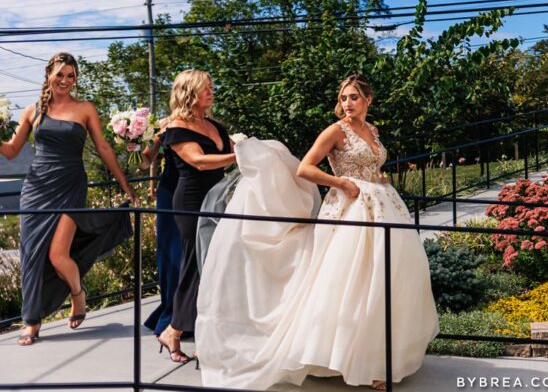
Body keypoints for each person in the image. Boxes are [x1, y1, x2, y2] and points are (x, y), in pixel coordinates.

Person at [196, 74, 438, 390]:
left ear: (368, 100)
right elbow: (305, 168)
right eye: (343, 98)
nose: (347, 103)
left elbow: (374, 165)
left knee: (387, 280)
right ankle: (344, 357)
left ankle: (382, 359)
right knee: (351, 281)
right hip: (348, 209)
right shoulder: (335, 132)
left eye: (353, 97)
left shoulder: (373, 131)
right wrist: (340, 183)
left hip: (384, 205)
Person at [0, 52, 139, 346]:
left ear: (75, 79)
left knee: (57, 254)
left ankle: (78, 295)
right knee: (31, 256)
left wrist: (126, 187)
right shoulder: (32, 111)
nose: (65, 80)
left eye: (71, 76)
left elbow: (103, 148)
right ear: (49, 73)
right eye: (60, 74)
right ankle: (32, 321)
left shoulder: (85, 108)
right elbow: (12, 150)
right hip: (36, 189)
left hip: (70, 186)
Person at [156, 70, 235, 364]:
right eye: (205, 88)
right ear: (189, 92)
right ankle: (179, 331)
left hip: (219, 200)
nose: (211, 91)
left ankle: (181, 332)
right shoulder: (176, 128)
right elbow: (199, 161)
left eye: (211, 86)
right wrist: (237, 157)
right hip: (190, 202)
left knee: (216, 266)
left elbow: (231, 154)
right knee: (196, 266)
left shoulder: (215, 126)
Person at [139, 123, 182, 338]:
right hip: (170, 192)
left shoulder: (212, 125)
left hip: (200, 191)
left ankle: (190, 313)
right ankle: (173, 314)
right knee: (172, 253)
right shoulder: (163, 127)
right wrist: (135, 148)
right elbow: (146, 162)